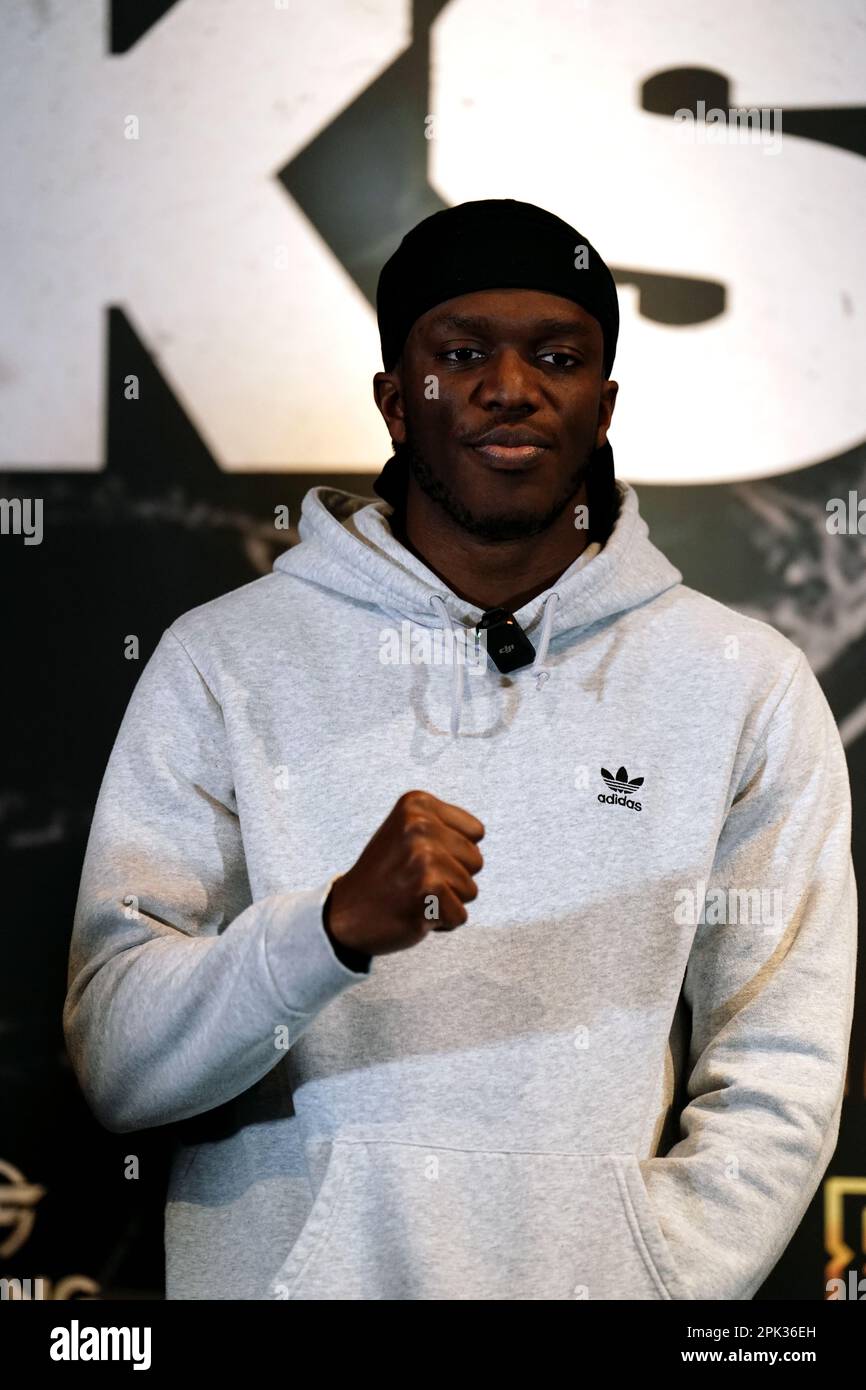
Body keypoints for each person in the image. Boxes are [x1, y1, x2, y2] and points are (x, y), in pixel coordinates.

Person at [64, 198, 857, 1301]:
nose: (510, 385)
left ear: (603, 401)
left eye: (557, 354)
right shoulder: (224, 661)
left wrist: (646, 1280)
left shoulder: (740, 683)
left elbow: (779, 1066)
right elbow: (118, 1060)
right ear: (396, 400)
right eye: (462, 352)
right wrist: (327, 931)